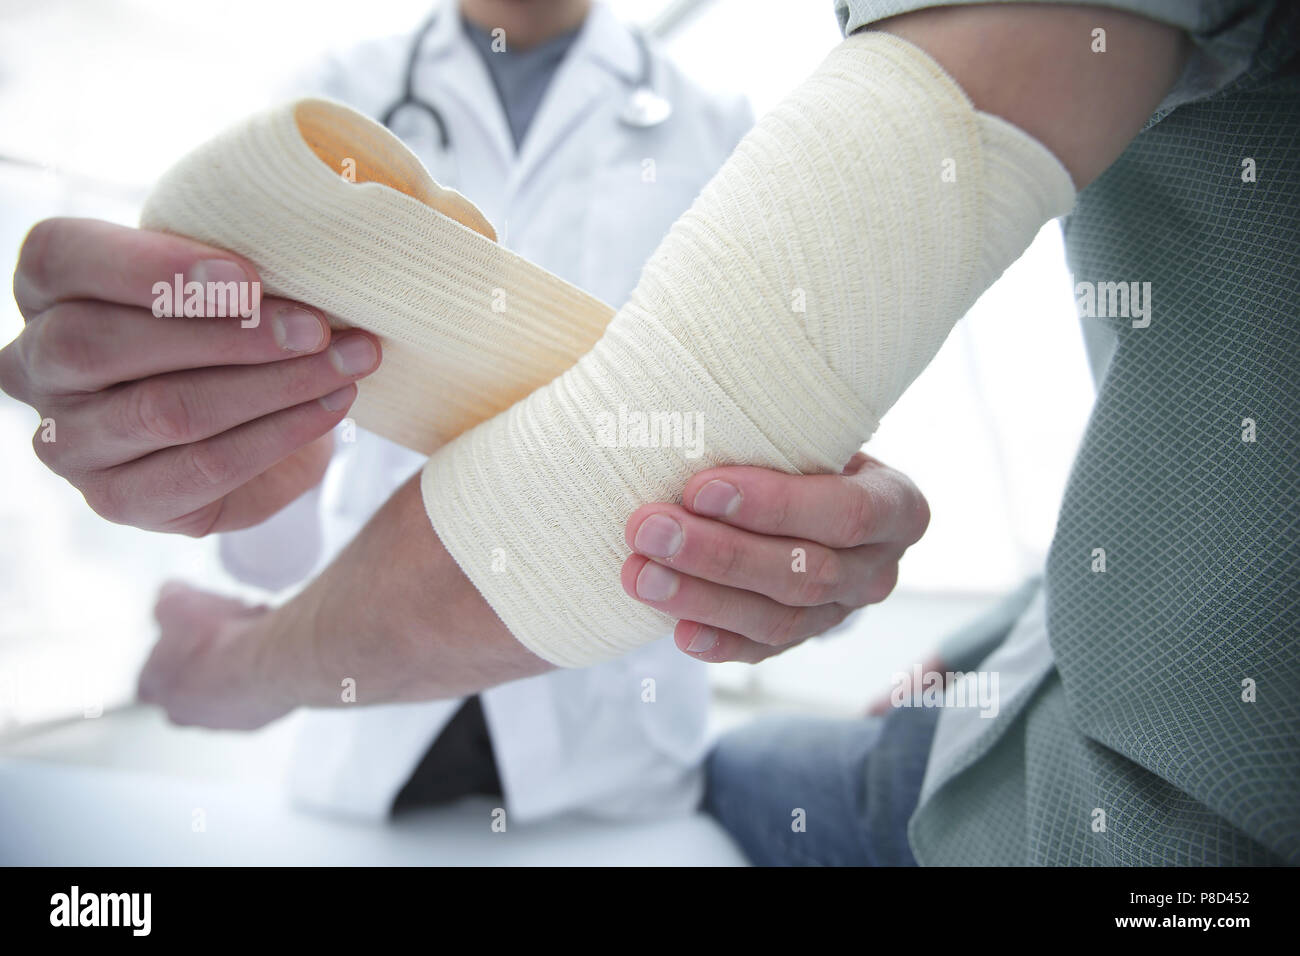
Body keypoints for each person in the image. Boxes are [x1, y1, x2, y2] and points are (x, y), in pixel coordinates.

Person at [0, 0, 930, 827]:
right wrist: (261, 452)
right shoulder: (327, 106)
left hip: (614, 777)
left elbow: (794, 505)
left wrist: (812, 561)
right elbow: (263, 544)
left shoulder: (720, 130)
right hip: (363, 761)